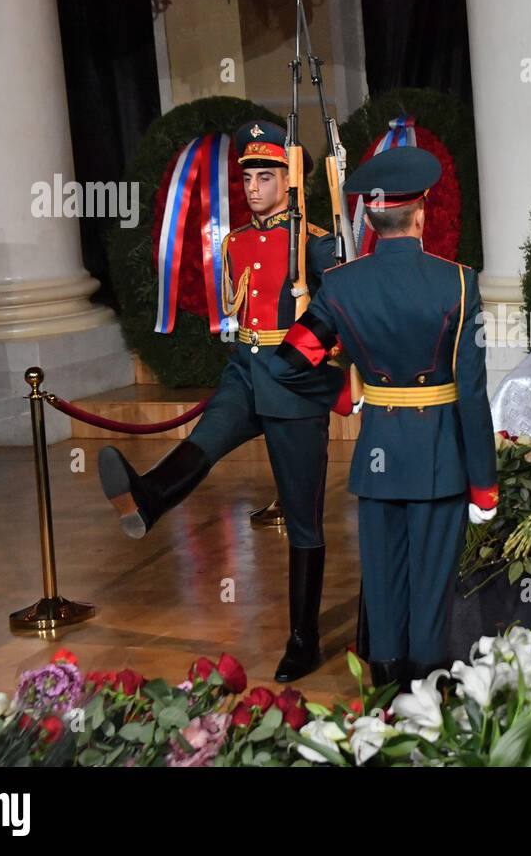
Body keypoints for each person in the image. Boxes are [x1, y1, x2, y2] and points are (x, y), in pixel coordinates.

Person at [97, 121, 347, 683]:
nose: (254, 186)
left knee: (303, 521)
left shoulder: (317, 242)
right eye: (249, 177)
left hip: (294, 381)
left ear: (291, 179)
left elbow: (338, 320)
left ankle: (303, 639)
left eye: (266, 175)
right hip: (245, 370)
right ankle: (146, 500)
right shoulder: (237, 240)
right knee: (202, 442)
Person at [267, 146, 498, 688]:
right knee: (431, 585)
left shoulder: (342, 285)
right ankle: (427, 691)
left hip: (376, 459)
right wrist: (484, 484)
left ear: (368, 218)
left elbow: (291, 363)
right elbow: (471, 390)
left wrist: (347, 394)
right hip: (438, 456)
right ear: (421, 213)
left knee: (385, 581)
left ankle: (388, 693)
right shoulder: (458, 283)